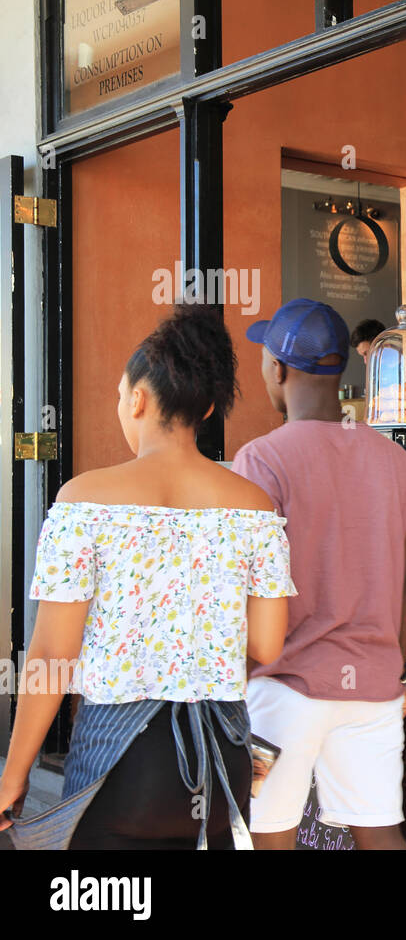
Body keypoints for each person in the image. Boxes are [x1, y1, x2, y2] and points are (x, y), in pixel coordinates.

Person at [0, 304, 292, 850]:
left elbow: (50, 657)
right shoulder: (255, 507)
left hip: (119, 762)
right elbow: (268, 643)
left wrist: (14, 777)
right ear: (207, 406)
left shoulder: (83, 501)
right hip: (220, 758)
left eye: (119, 395)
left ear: (137, 398)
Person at [231, 298, 406, 851]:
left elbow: (247, 589)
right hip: (373, 686)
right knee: (380, 832)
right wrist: (400, 672)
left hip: (281, 690)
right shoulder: (393, 458)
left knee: (267, 837)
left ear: (278, 369)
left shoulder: (261, 460)